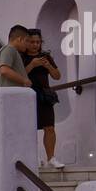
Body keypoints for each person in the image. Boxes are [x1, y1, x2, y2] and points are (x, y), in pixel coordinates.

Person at [24, 29, 64, 168]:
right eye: (32, 42)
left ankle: (51, 158)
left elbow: (57, 76)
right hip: (27, 95)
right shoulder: (20, 56)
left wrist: (47, 65)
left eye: (38, 42)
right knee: (30, 128)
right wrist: (32, 65)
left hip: (45, 95)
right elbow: (19, 75)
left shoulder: (45, 56)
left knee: (50, 127)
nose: (35, 45)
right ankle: (33, 157)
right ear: (26, 42)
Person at [0, 24, 34, 89]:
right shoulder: (9, 49)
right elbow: (4, 70)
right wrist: (25, 81)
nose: (28, 45)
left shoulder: (13, 51)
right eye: (27, 41)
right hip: (11, 96)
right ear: (20, 39)